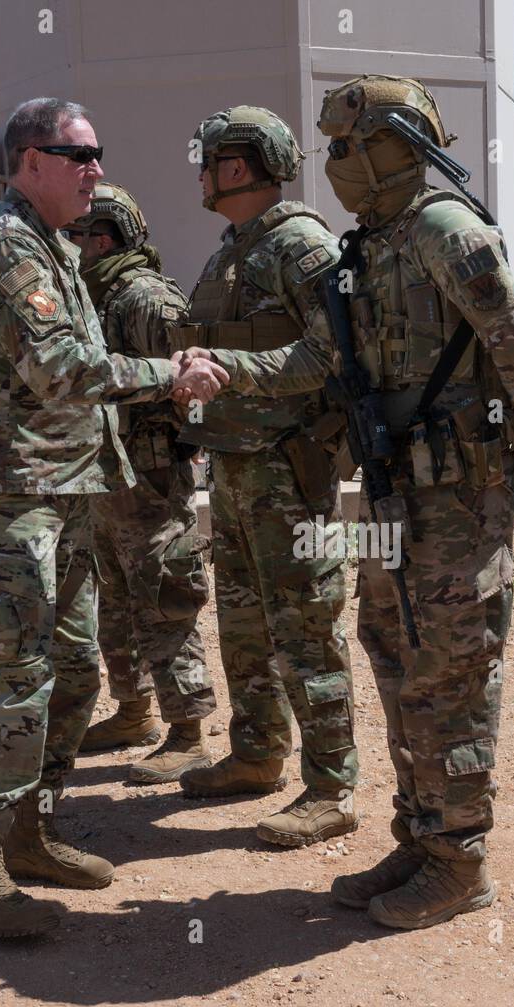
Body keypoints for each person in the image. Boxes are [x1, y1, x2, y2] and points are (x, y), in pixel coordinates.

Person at [187, 77, 514, 926]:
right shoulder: (366, 250)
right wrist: (219, 369)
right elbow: (313, 361)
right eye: (332, 150)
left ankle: (461, 860)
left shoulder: (445, 232)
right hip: (397, 492)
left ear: (399, 147)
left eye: (351, 148)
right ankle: (420, 835)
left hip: (462, 495)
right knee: (393, 651)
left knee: (453, 670)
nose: (338, 165)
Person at [0, 97, 227, 938]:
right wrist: (168, 375)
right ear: (29, 161)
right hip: (4, 504)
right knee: (13, 683)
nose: (97, 167)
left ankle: (31, 834)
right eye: (79, 153)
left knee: (71, 671)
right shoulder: (5, 247)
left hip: (58, 492)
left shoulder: (49, 246)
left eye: (99, 151)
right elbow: (62, 367)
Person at [171, 106, 360, 849]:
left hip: (287, 469)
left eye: (208, 160)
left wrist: (231, 373)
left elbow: (329, 356)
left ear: (239, 166)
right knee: (245, 624)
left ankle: (332, 784)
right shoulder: (230, 251)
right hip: (237, 468)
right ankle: (257, 754)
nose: (200, 174)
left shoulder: (301, 247)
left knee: (305, 628)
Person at [65, 182, 217, 781]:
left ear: (102, 239)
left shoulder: (147, 299)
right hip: (105, 475)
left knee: (164, 595)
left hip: (151, 476)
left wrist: (189, 445)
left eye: (78, 236)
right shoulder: (92, 295)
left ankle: (188, 731)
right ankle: (134, 712)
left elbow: (197, 386)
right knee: (116, 599)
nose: (70, 247)